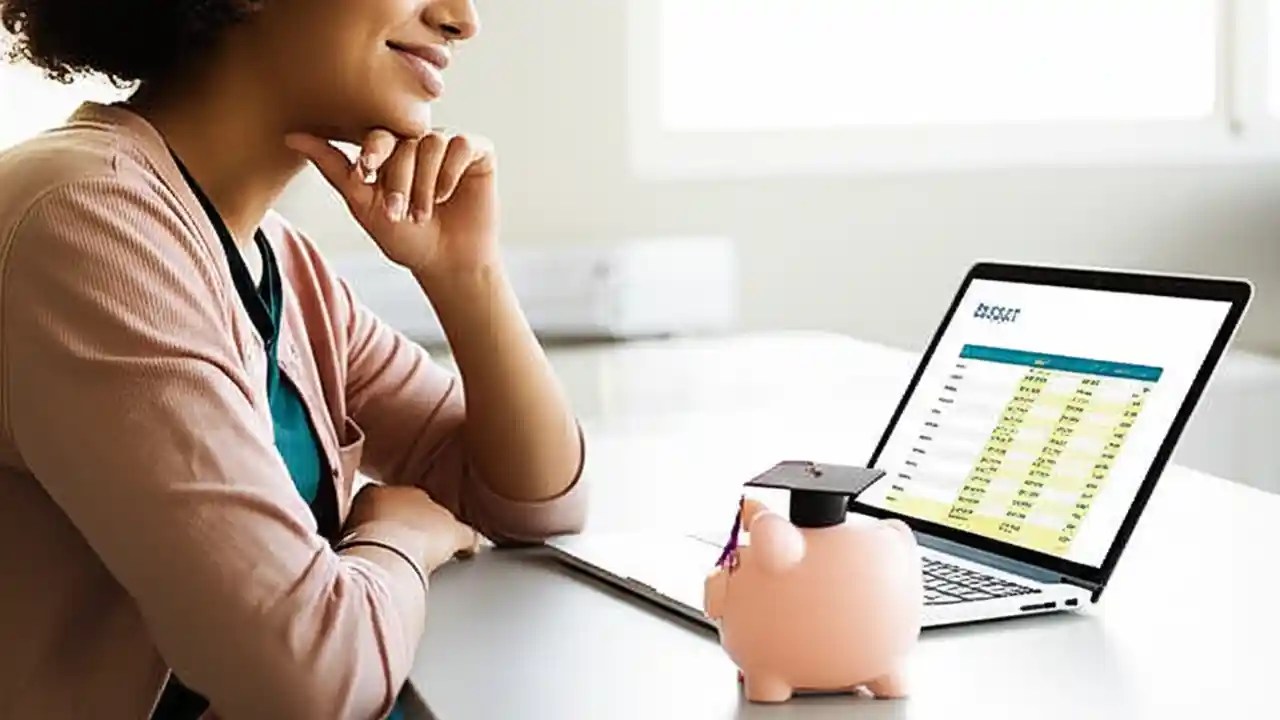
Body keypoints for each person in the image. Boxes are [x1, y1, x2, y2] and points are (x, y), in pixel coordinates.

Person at [0, 0, 588, 717]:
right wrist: (399, 534)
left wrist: (468, 278)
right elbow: (310, 678)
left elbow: (535, 500)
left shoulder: (272, 255)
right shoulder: (85, 224)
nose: (462, 19)